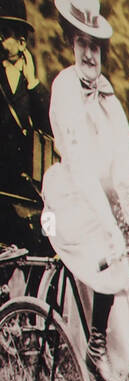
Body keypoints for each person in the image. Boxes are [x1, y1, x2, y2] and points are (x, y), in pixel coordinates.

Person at [40, 0, 129, 381]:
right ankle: (94, 346)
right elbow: (83, 172)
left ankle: (102, 359)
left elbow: (120, 173)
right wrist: (113, 232)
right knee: (108, 250)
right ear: (72, 44)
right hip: (69, 198)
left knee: (127, 271)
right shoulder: (64, 89)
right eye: (82, 43)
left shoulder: (111, 102)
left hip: (98, 203)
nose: (89, 53)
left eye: (95, 46)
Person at [0, 1, 49, 251]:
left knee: (34, 245)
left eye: (4, 35)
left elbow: (49, 125)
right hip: (2, 184)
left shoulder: (33, 87)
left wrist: (33, 84)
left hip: (24, 184)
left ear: (21, 43)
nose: (0, 40)